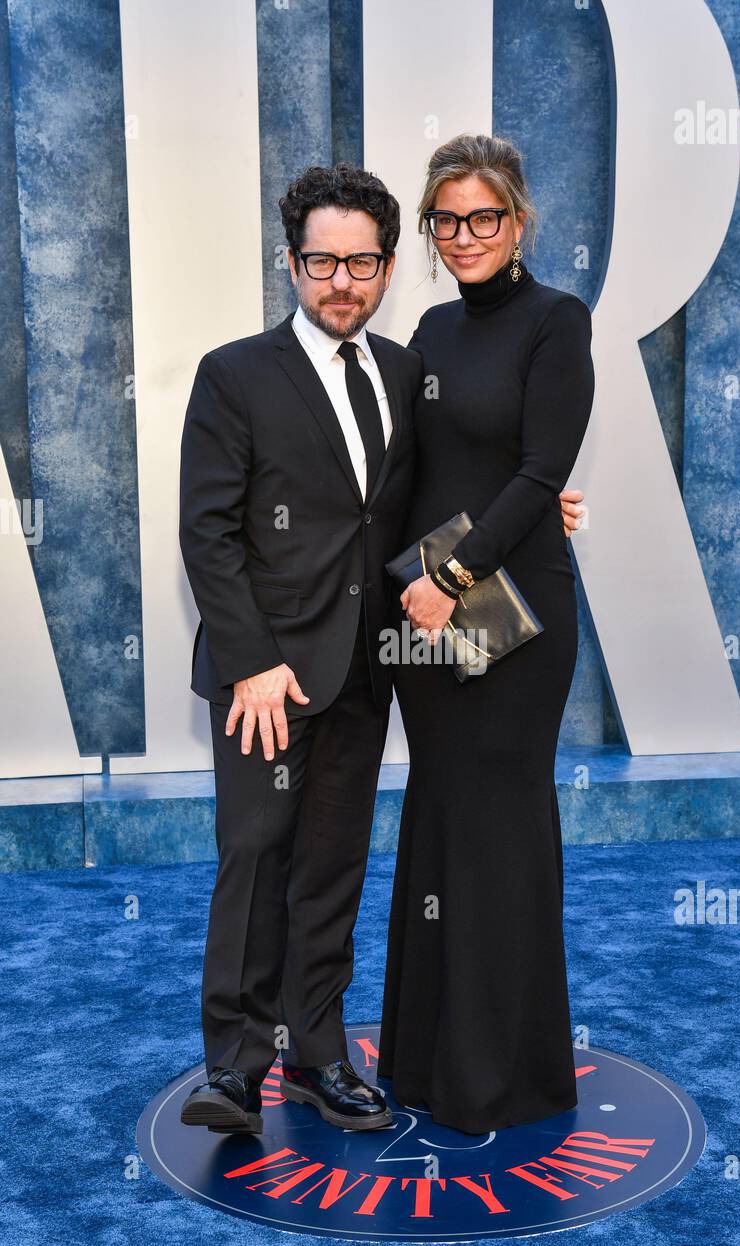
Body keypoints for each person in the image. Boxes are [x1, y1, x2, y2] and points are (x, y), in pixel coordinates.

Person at [176, 158, 587, 1136]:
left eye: (362, 263)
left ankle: (317, 1056)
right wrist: (249, 659)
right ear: (291, 265)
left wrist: (538, 518)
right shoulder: (233, 373)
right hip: (268, 676)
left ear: (390, 266)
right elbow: (207, 531)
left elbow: (437, 496)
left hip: (372, 668)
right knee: (254, 861)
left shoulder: (409, 371)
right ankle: (236, 1069)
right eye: (322, 263)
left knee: (330, 870)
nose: (342, 283)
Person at [377, 133, 595, 1134]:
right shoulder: (427, 324)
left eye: (482, 217)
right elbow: (414, 470)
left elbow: (539, 471)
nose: (463, 235)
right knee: (440, 818)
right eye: (445, 219)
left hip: (507, 611)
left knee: (499, 829)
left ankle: (503, 1076)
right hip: (428, 616)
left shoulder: (557, 321)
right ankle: (425, 1063)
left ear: (516, 220)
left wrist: (451, 576)